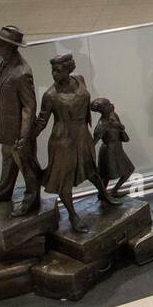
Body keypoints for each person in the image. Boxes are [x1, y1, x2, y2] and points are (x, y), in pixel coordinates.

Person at [36, 53, 118, 233]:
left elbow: (87, 105)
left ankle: (105, 195)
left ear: (68, 69)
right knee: (64, 178)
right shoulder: (50, 95)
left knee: (91, 169)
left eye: (57, 71)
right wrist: (28, 138)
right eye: (52, 71)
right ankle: (73, 215)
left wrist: (106, 112)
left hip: (82, 134)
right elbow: (42, 121)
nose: (54, 74)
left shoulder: (80, 80)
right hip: (62, 140)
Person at [0, 25, 42, 218]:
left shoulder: (22, 73)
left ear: (9, 47)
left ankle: (31, 199)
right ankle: (3, 191)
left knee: (26, 165)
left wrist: (24, 136)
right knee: (8, 162)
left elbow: (29, 106)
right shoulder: (4, 65)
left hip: (19, 132)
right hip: (7, 129)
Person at [91, 97, 134, 197]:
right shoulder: (101, 125)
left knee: (128, 171)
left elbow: (122, 128)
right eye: (108, 105)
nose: (112, 105)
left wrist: (117, 125)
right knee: (106, 176)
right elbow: (94, 142)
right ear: (104, 109)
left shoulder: (113, 115)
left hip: (117, 148)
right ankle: (102, 194)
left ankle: (113, 191)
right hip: (108, 151)